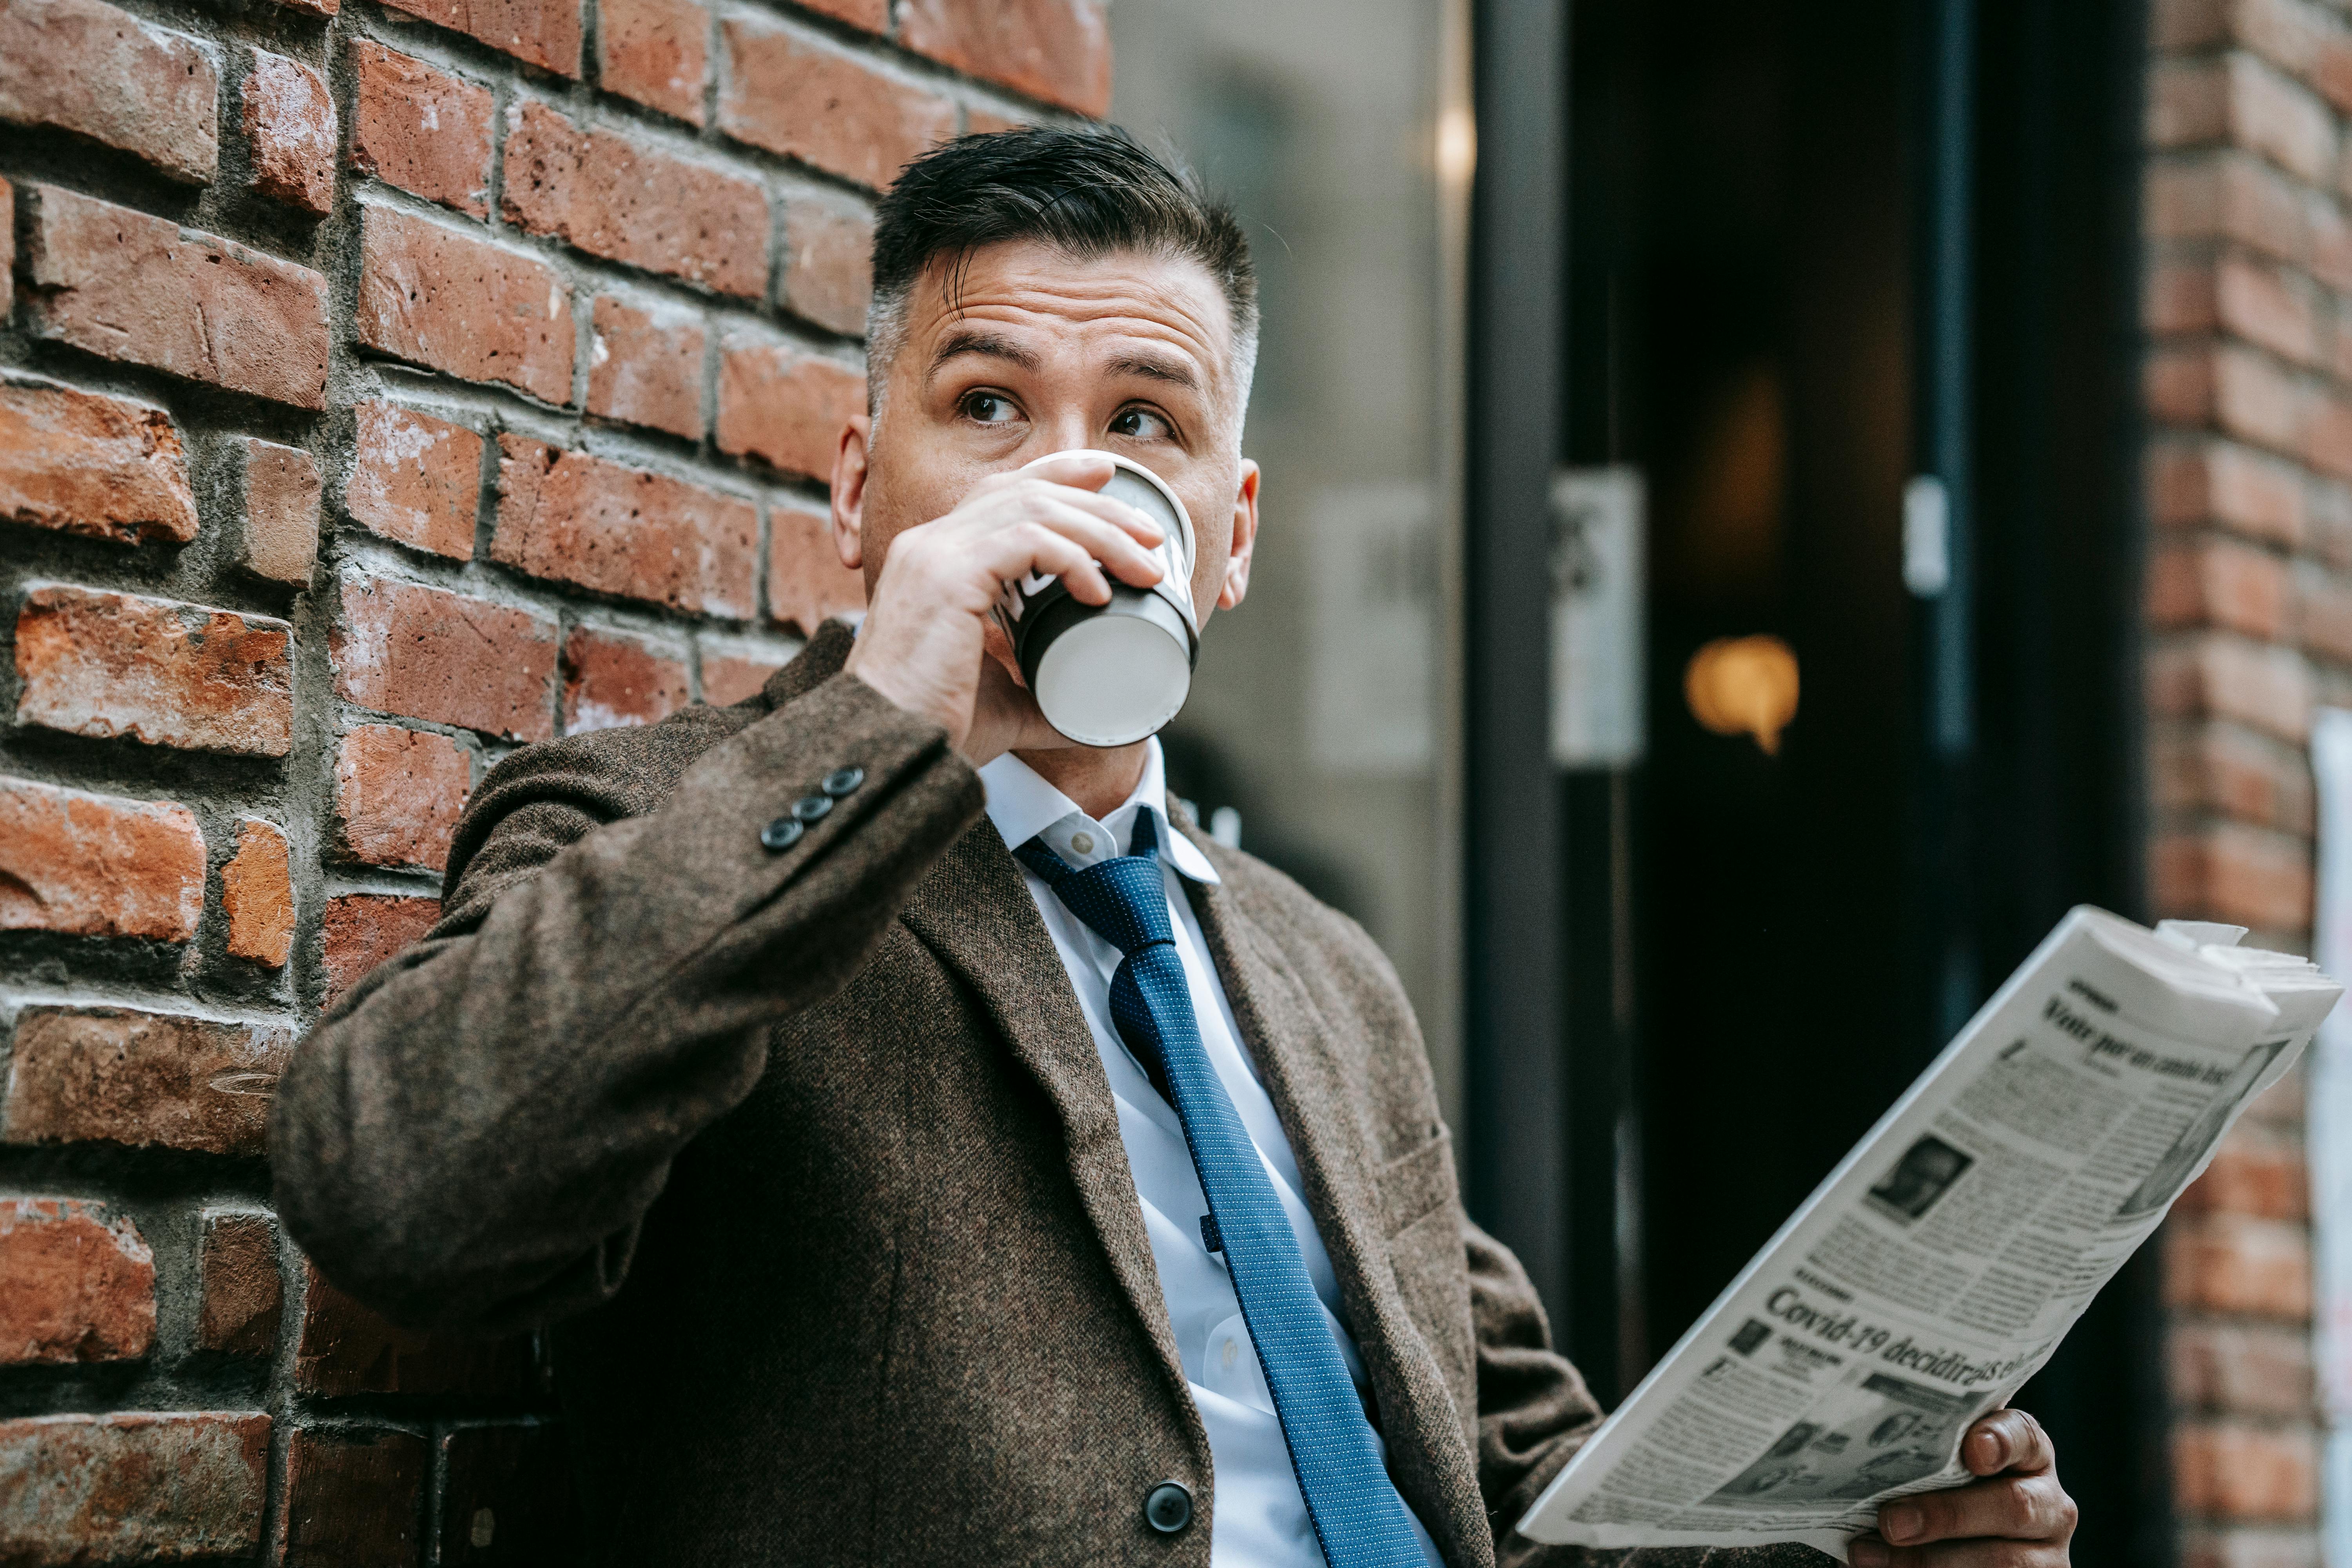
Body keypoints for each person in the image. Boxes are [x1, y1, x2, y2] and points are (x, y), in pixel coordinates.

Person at [273, 126, 2077, 1568]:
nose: (1070, 479)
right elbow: (402, 1194)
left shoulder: (1319, 964)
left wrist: (1851, 1543)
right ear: (853, 488)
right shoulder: (663, 826)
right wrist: (885, 717)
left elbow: (1532, 1492)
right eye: (988, 408)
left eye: (1144, 423)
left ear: (1228, 537)